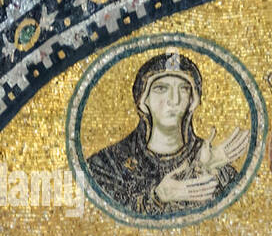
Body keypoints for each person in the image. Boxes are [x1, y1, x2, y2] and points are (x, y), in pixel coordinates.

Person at [86, 50, 247, 218]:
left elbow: (234, 219)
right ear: (143, 101)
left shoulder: (214, 163)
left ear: (192, 101)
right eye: (161, 89)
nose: (174, 100)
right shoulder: (108, 165)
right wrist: (158, 197)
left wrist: (208, 170)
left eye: (183, 89)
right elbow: (100, 218)